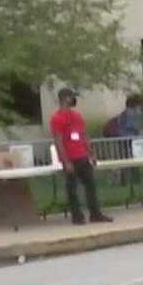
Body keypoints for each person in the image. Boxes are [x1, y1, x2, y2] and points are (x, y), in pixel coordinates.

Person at [50, 88, 112, 225]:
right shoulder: (57, 118)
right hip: (70, 158)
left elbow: (83, 135)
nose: (73, 100)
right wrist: (66, 161)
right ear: (65, 99)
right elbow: (58, 141)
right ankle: (77, 216)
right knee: (72, 188)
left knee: (91, 185)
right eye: (71, 97)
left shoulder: (76, 116)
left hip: (82, 156)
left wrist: (91, 153)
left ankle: (95, 213)